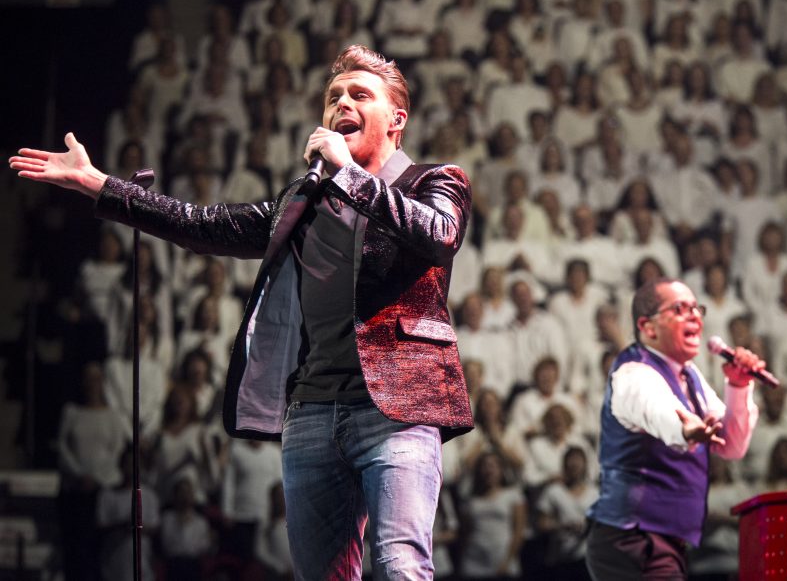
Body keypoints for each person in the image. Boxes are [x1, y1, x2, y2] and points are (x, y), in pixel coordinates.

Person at [10, 44, 475, 580]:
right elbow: (203, 223)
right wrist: (99, 185)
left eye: (359, 94)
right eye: (333, 97)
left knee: (400, 567)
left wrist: (350, 176)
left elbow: (439, 235)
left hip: (397, 414)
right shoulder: (303, 201)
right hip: (313, 415)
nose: (341, 103)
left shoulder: (436, 179)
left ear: (397, 120)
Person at [585, 277, 765, 580]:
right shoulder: (633, 372)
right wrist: (685, 428)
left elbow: (731, 445)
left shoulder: (690, 375)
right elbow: (655, 408)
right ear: (648, 327)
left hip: (663, 539)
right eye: (680, 309)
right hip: (632, 538)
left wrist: (738, 385)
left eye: (697, 308)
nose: (694, 315)